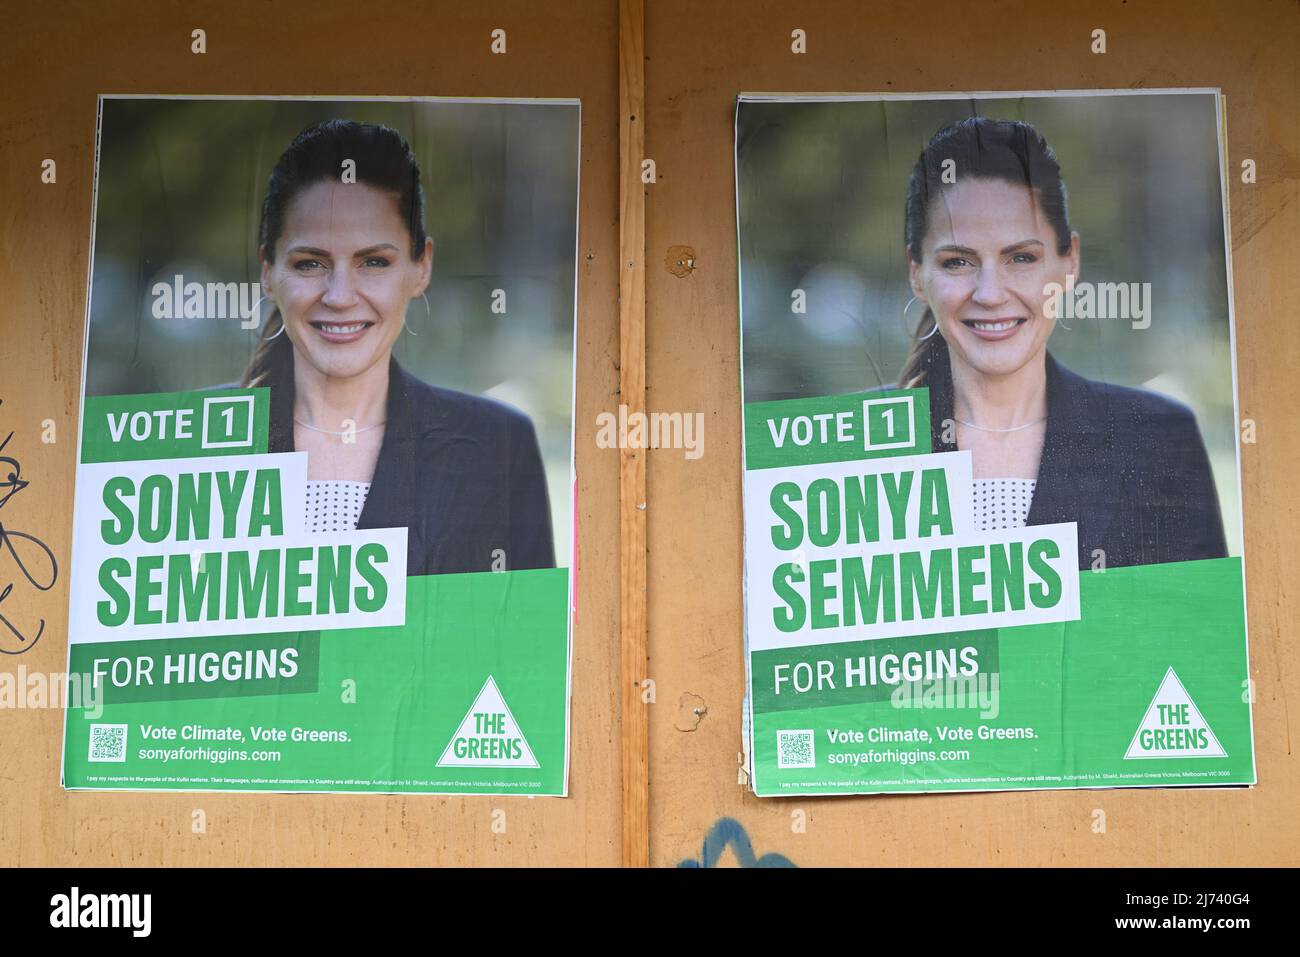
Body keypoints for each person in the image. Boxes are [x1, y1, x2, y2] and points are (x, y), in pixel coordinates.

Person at [896, 117, 1226, 569]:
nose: (990, 293)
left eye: (1021, 257)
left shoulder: (1160, 440)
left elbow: (1192, 616)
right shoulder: (849, 448)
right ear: (917, 273)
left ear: (1069, 262)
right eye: (957, 262)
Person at [241, 119, 554, 575]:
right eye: (310, 263)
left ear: (421, 267)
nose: (340, 296)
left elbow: (523, 622)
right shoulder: (191, 443)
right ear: (268, 273)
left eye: (374, 261)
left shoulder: (498, 448)